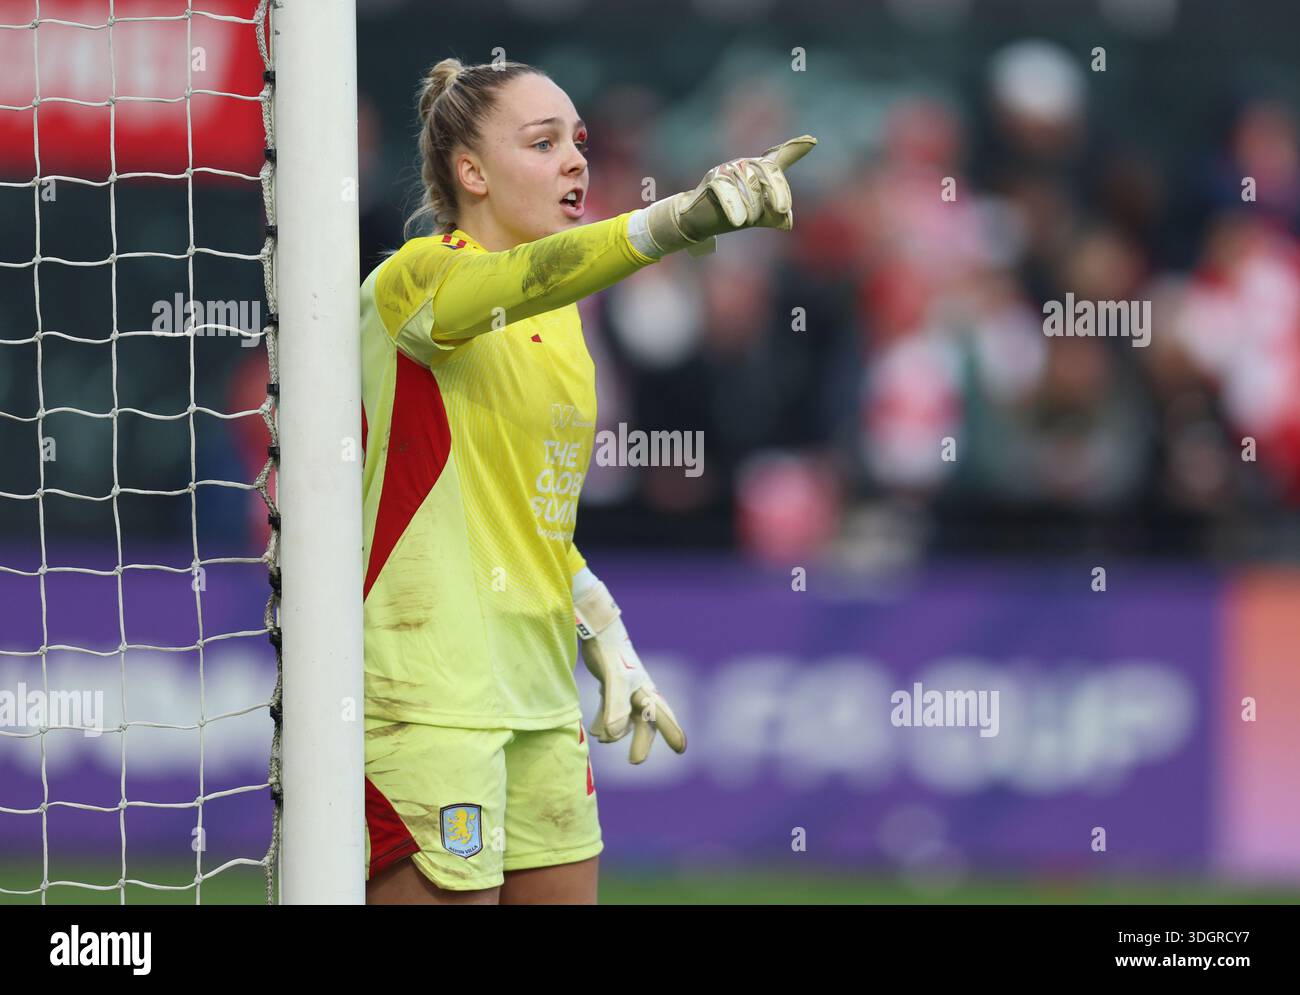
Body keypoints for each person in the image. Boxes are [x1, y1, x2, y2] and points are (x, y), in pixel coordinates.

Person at [359, 55, 815, 905]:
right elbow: (517, 281)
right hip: (428, 701)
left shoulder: (565, 323)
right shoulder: (414, 277)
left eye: (579, 141)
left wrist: (602, 626)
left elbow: (535, 520)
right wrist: (675, 220)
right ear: (471, 172)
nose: (575, 159)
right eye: (543, 143)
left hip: (538, 698)